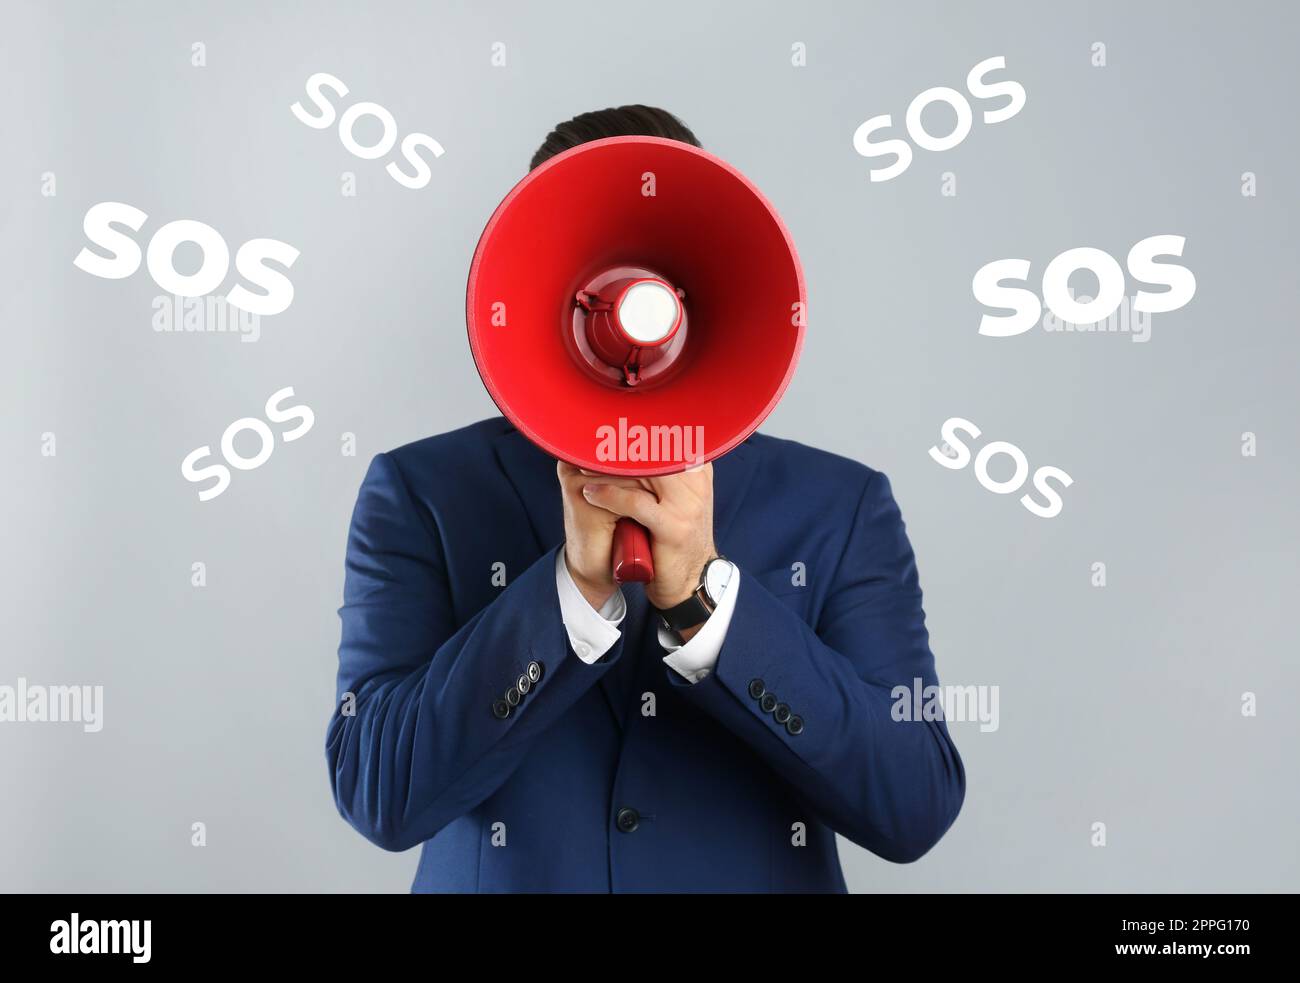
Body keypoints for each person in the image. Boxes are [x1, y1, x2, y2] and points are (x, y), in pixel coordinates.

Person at [327, 105, 965, 893]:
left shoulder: (840, 506)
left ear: (697, 296)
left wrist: (711, 608)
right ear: (535, 294)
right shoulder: (422, 493)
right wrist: (569, 594)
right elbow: (378, 792)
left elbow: (914, 803)